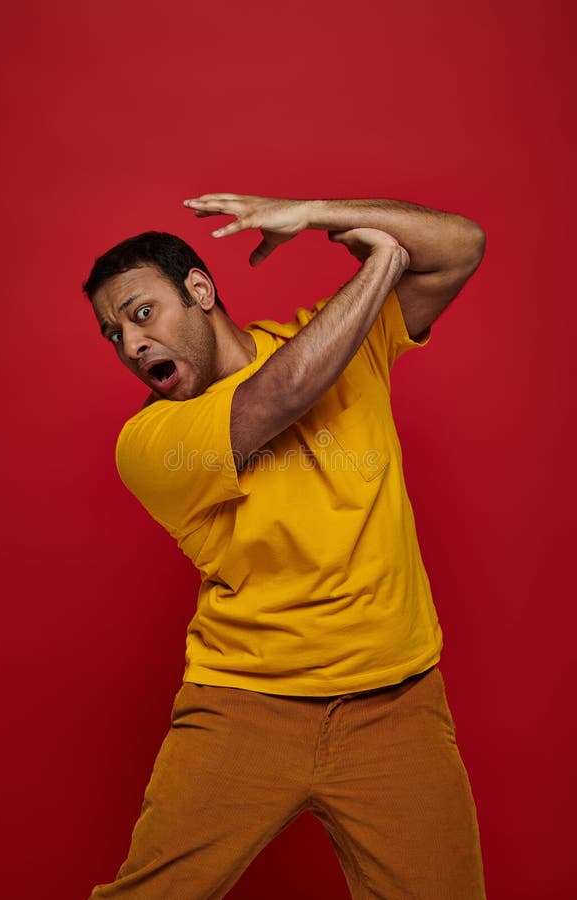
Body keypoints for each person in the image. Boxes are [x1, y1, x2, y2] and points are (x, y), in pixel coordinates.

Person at [84, 193, 488, 899]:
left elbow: (461, 244)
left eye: (142, 314)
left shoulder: (344, 340)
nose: (131, 344)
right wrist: (383, 262)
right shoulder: (148, 443)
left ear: (201, 291)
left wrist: (317, 212)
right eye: (113, 335)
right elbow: (286, 390)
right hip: (246, 707)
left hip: (397, 705)